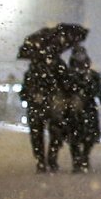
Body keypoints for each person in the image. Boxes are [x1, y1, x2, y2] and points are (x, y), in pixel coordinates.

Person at [62, 45, 101, 173]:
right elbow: (62, 92)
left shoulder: (92, 75)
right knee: (73, 136)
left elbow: (100, 92)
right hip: (72, 108)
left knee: (89, 136)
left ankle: (84, 156)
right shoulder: (67, 75)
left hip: (88, 107)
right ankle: (77, 160)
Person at [21, 42, 69, 172]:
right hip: (52, 105)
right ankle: (49, 159)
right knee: (53, 133)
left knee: (39, 134)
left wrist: (32, 96)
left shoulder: (33, 70)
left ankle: (42, 160)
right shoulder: (59, 67)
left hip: (41, 106)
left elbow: (24, 91)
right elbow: (66, 85)